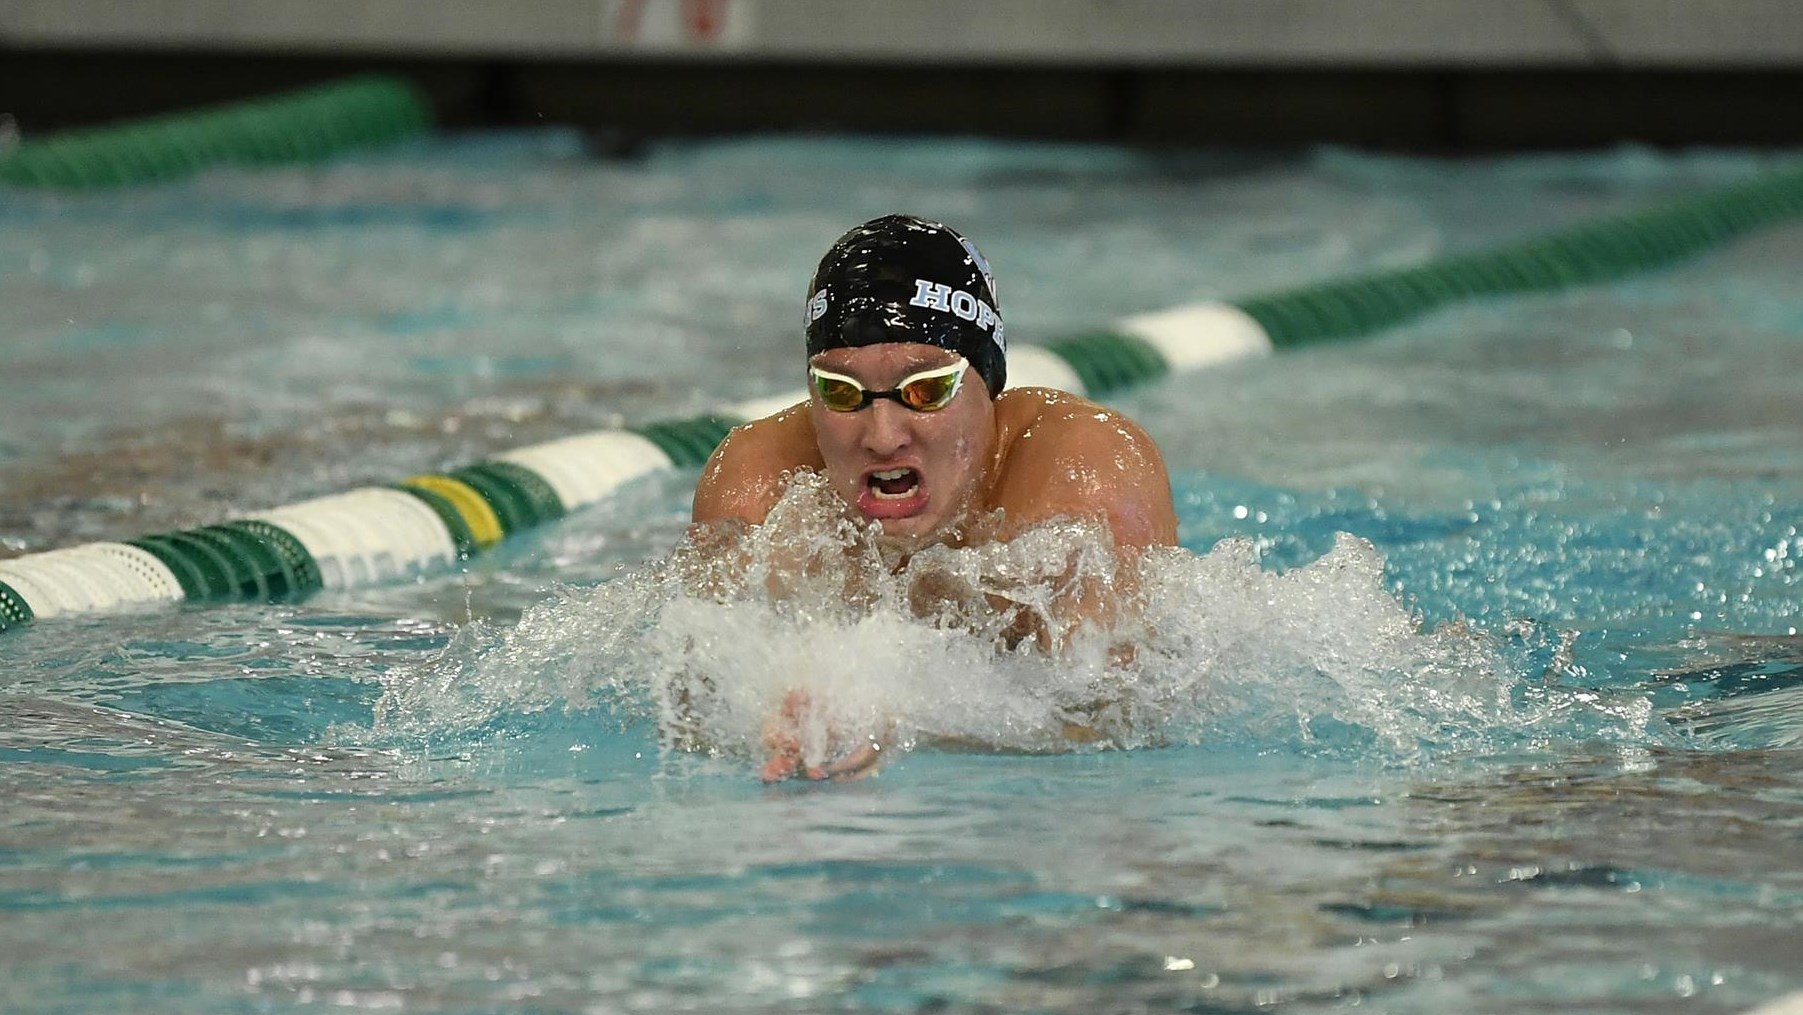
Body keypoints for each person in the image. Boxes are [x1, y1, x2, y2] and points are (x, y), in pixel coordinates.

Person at [689, 214, 1178, 781]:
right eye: (841, 392)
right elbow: (689, 697)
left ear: (987, 385)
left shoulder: (1077, 478)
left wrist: (918, 723)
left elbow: (1123, 721)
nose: (883, 436)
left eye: (925, 391)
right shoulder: (758, 487)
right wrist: (762, 717)